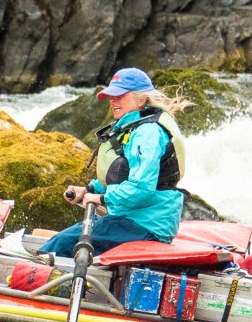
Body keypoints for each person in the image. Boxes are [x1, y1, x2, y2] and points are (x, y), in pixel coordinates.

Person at [34, 67, 189, 258]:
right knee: (63, 240)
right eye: (111, 96)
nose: (113, 100)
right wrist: (90, 189)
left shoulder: (148, 133)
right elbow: (122, 174)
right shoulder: (134, 126)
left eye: (120, 95)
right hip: (132, 219)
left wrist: (101, 199)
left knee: (62, 243)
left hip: (146, 225)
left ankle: (35, 282)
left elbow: (141, 189)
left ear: (141, 100)